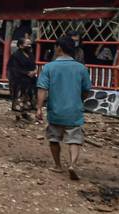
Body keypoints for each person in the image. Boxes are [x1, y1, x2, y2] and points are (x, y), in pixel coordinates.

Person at [36, 35, 92, 180]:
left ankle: (57, 165)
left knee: (54, 138)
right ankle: (72, 164)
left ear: (59, 48)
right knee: (75, 139)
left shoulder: (49, 67)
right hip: (74, 110)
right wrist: (80, 100)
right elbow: (86, 89)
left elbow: (42, 88)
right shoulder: (81, 68)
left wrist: (38, 108)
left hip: (55, 109)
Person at [7, 37, 37, 121]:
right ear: (20, 46)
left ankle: (25, 113)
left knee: (28, 97)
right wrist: (27, 73)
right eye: (27, 44)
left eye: (30, 44)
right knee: (19, 97)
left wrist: (34, 71)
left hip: (30, 80)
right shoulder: (15, 55)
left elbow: (33, 64)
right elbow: (14, 68)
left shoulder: (30, 54)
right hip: (19, 80)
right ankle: (17, 115)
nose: (29, 46)